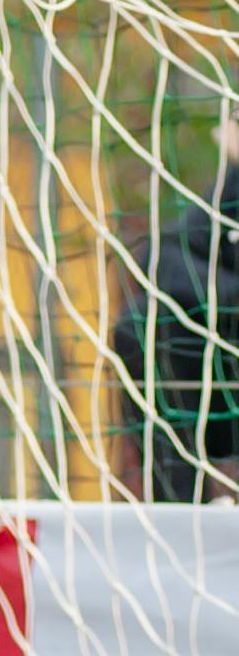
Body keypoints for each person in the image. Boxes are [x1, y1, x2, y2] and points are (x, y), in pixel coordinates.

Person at [110, 116, 239, 503]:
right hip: (225, 386)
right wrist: (226, 300)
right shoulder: (231, 192)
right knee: (141, 326)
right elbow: (163, 254)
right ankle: (183, 513)